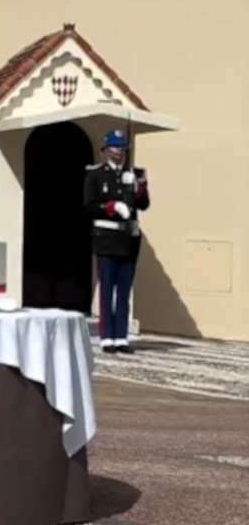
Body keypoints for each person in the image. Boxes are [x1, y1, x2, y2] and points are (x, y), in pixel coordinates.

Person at [83, 128, 149, 355]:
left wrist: (139, 188)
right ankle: (107, 337)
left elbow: (143, 205)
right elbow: (89, 206)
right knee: (107, 289)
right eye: (114, 147)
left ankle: (121, 336)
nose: (118, 151)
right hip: (106, 239)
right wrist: (110, 207)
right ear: (105, 149)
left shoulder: (132, 174)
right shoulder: (95, 175)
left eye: (121, 147)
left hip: (128, 240)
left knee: (124, 290)